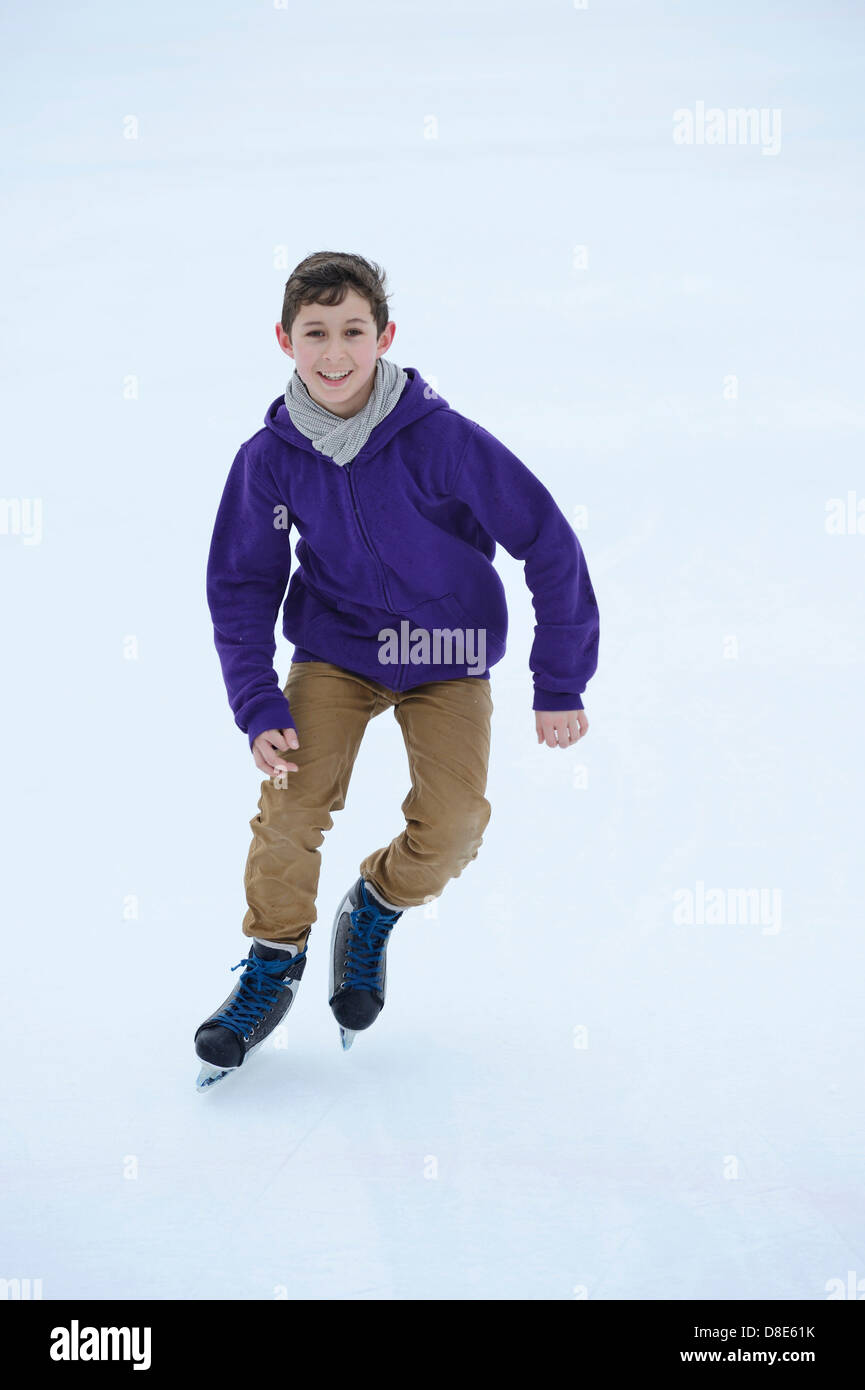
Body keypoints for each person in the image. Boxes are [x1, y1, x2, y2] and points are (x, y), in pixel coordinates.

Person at [193, 250, 600, 1086]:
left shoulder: (441, 441)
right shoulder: (270, 459)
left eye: (352, 332)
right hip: (337, 652)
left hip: (445, 657)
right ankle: (271, 962)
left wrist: (558, 680)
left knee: (455, 825)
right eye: (315, 334)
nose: (334, 353)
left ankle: (374, 907)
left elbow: (548, 545)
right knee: (291, 803)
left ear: (384, 337)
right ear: (284, 340)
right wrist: (258, 698)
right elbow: (241, 582)